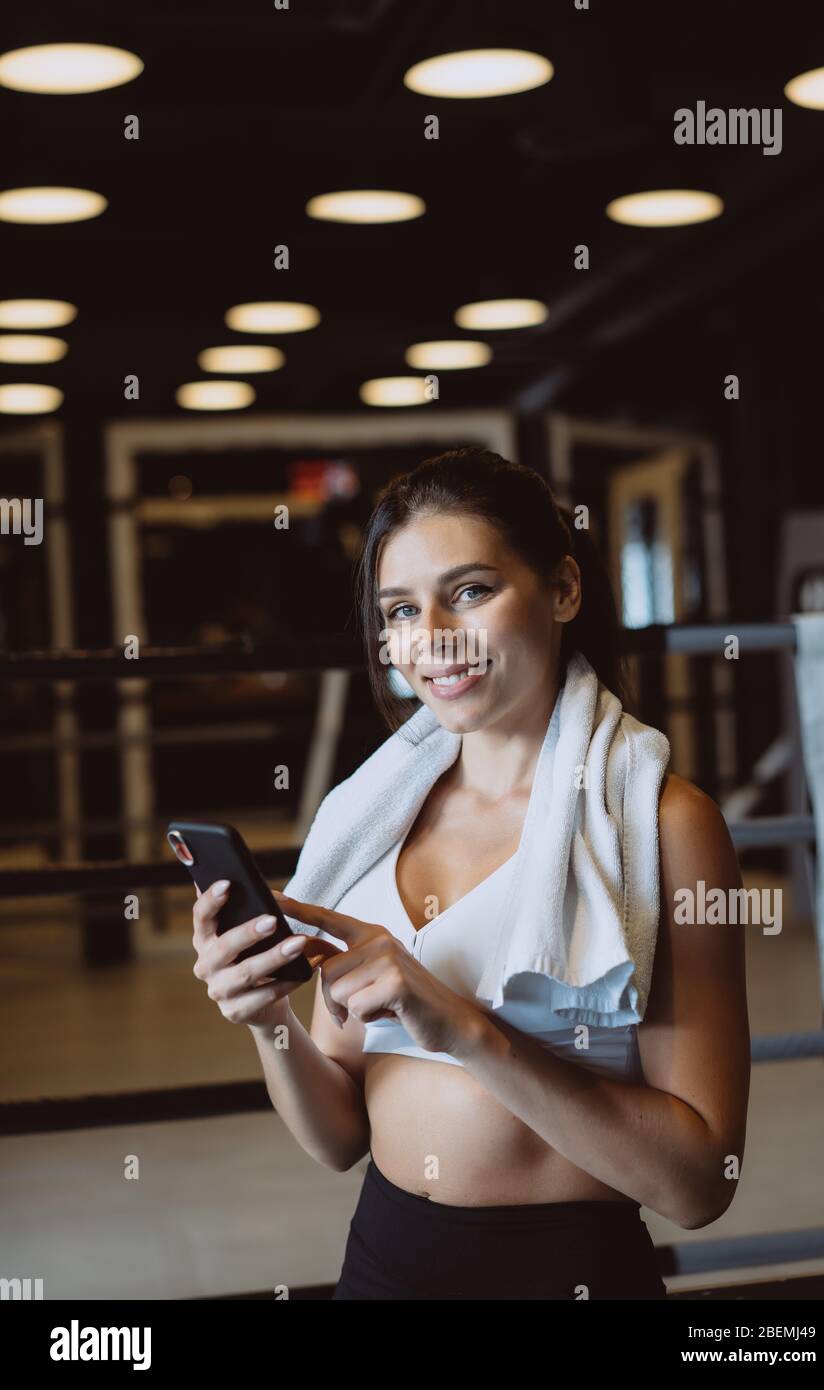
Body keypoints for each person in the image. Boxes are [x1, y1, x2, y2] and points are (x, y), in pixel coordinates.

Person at [191, 447, 751, 1300]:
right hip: (381, 1260)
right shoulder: (367, 821)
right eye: (402, 610)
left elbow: (698, 1183)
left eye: (472, 591)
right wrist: (266, 1018)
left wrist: (463, 1029)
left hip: (564, 1269)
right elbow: (339, 1134)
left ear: (564, 589)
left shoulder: (663, 823)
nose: (433, 637)